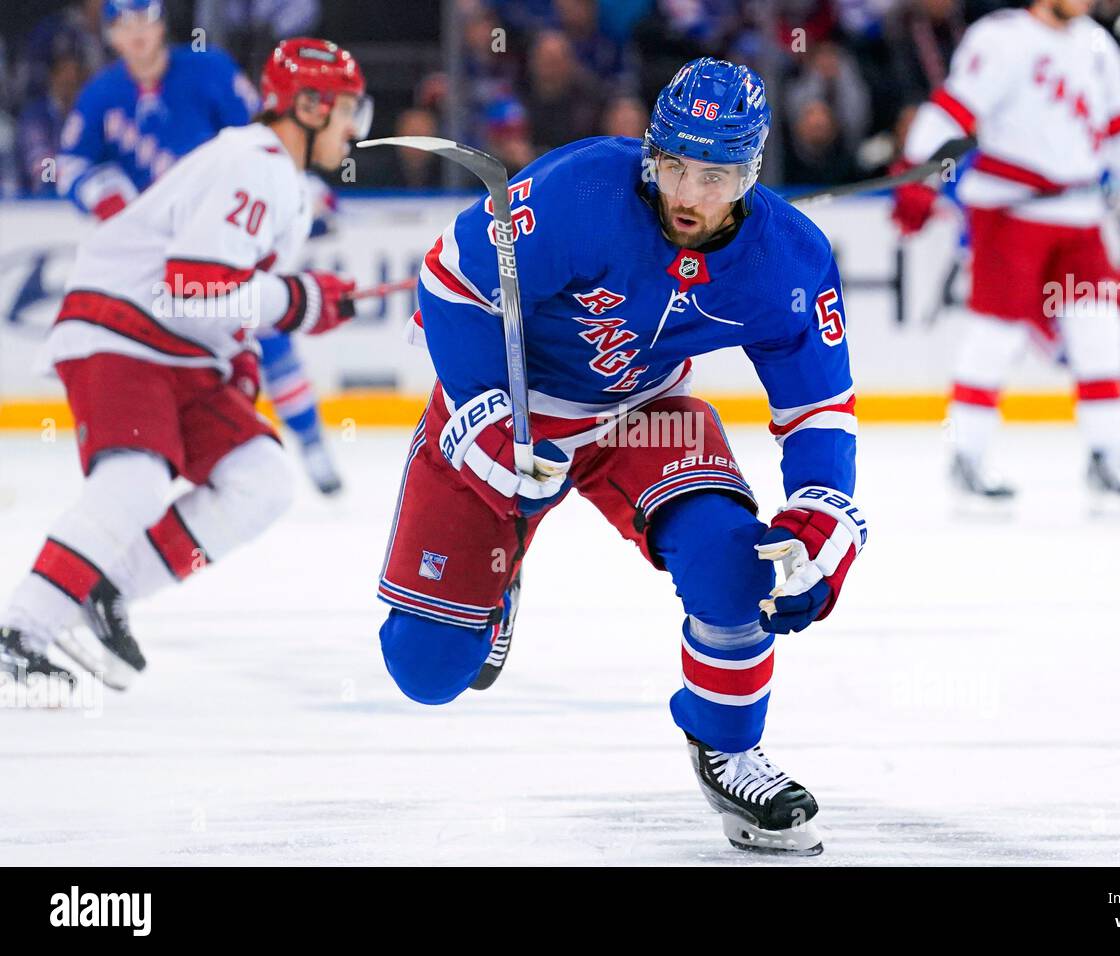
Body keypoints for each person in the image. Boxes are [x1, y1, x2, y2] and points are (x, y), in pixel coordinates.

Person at [376, 58, 864, 855]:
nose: (686, 194)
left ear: (750, 171)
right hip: (516, 413)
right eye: (672, 164)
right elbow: (453, 283)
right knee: (427, 670)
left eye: (715, 174)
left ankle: (730, 747)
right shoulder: (585, 189)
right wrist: (483, 411)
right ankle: (498, 576)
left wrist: (823, 510)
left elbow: (818, 407)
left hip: (644, 418)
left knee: (735, 569)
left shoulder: (790, 260)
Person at [0, 38, 366, 692]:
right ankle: (22, 629)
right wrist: (297, 299)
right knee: (135, 480)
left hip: (182, 348)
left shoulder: (280, 182)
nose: (355, 129)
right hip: (123, 327)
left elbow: (221, 306)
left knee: (263, 481)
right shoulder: (256, 164)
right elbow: (192, 287)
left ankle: (105, 590)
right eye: (348, 111)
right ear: (309, 106)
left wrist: (280, 315)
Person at [890, 0, 1120, 505]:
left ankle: (1109, 453)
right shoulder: (1001, 37)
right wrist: (918, 174)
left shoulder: (1097, 45)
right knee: (996, 335)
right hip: (1010, 213)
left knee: (1099, 330)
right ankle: (968, 455)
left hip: (1079, 214)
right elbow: (950, 111)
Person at [57, 0, 346, 495]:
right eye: (125, 25)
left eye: (145, 20)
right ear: (110, 35)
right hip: (153, 256)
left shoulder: (209, 70)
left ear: (161, 23)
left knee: (260, 322)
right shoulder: (101, 95)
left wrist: (302, 189)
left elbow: (268, 133)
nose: (138, 34)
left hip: (221, 234)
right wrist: (102, 193)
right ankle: (174, 453)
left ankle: (310, 438)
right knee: (165, 347)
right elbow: (67, 165)